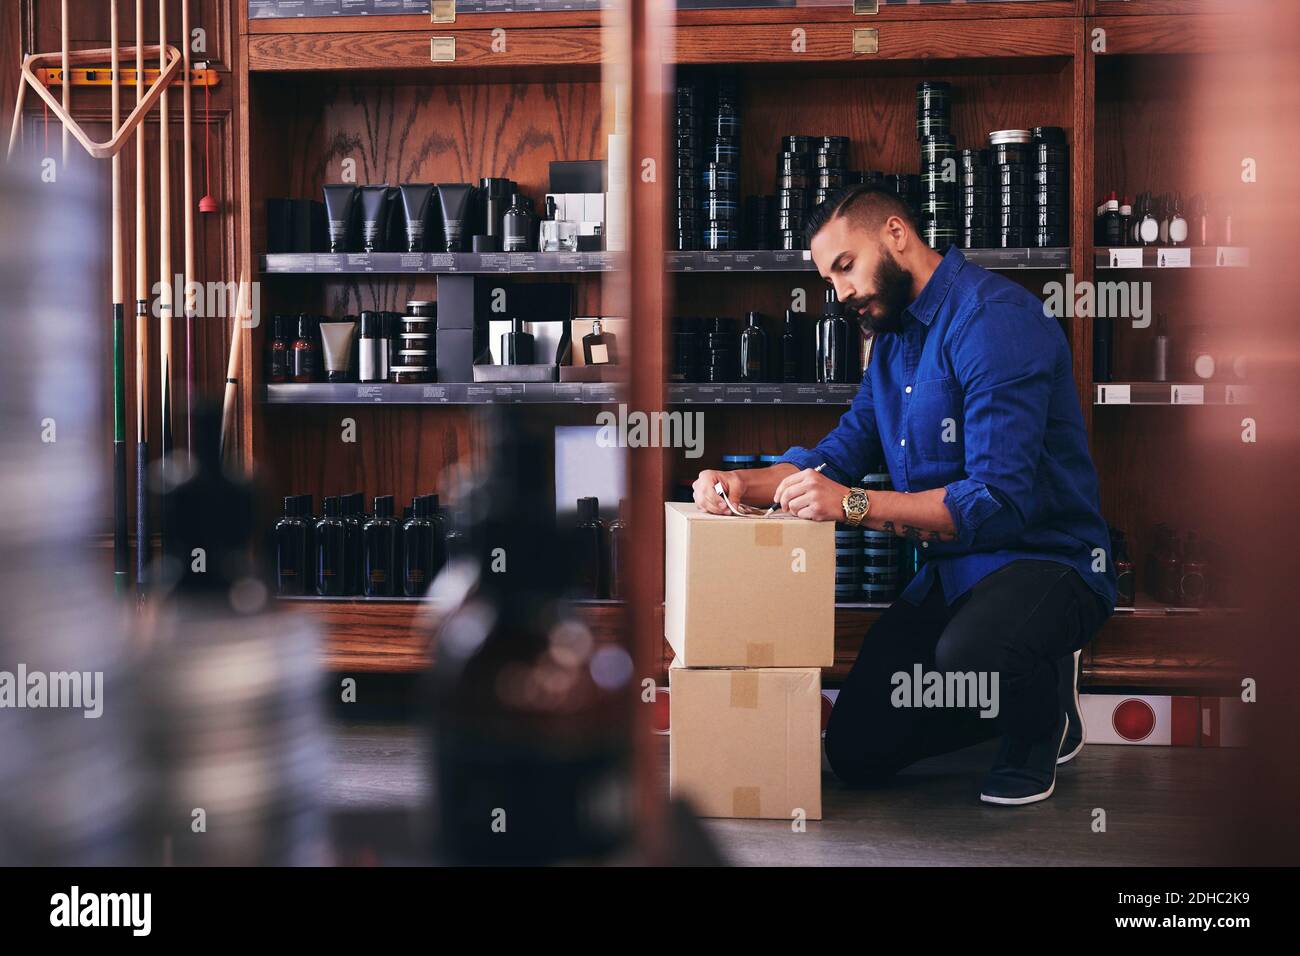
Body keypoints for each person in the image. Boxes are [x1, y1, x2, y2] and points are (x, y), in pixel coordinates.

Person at [692, 185, 1116, 805]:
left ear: (896, 234)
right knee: (858, 753)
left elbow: (994, 502)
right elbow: (843, 449)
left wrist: (852, 505)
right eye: (829, 281)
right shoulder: (892, 338)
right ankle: (1014, 674)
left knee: (974, 650)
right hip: (954, 575)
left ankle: (1041, 715)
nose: (841, 295)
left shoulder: (995, 321)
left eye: (845, 268)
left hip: (1049, 561)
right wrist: (738, 482)